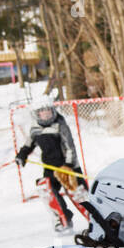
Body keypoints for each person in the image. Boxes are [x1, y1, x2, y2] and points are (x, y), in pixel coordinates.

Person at [14, 97, 86, 231]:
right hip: (50, 168)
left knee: (79, 194)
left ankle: (94, 219)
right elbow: (29, 144)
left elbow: (70, 146)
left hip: (67, 166)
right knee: (47, 190)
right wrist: (22, 155)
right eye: (42, 112)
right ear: (36, 114)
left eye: (48, 111)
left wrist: (68, 165)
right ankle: (63, 218)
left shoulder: (60, 124)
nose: (46, 114)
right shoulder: (35, 128)